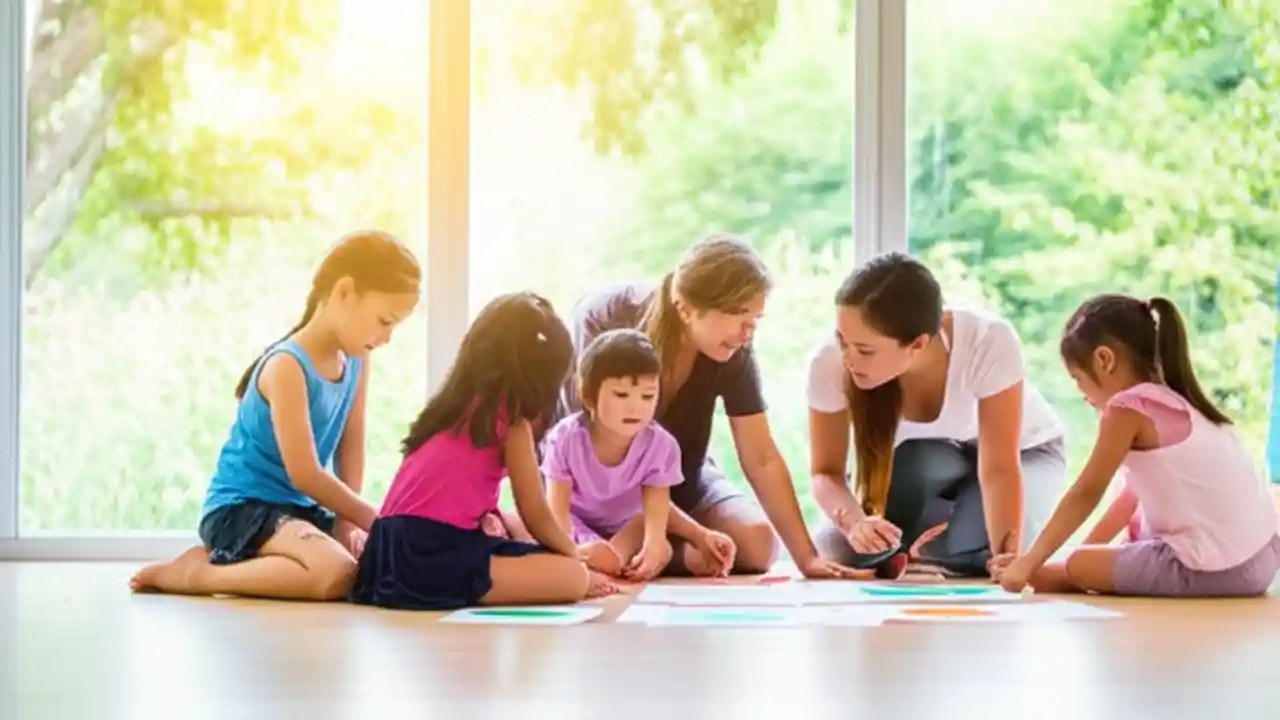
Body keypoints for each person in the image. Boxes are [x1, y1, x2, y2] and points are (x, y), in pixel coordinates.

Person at [130, 230, 422, 599]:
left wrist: (348, 524)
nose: (388, 336)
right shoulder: (287, 366)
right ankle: (197, 576)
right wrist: (377, 520)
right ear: (343, 292)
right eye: (384, 320)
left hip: (299, 513)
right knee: (336, 572)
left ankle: (271, 560)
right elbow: (304, 473)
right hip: (241, 511)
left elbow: (351, 446)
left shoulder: (358, 360)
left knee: (384, 568)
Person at [557, 234, 862, 579]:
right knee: (605, 540)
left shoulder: (733, 351)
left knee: (759, 544)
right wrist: (687, 530)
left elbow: (761, 458)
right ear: (686, 306)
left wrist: (807, 559)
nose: (747, 332)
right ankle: (663, 551)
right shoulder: (609, 319)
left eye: (756, 319)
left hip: (683, 478)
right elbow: (583, 450)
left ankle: (670, 553)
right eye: (738, 315)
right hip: (601, 488)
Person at [992, 294, 1280, 596]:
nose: (1082, 394)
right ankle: (1057, 568)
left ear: (1105, 360)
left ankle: (1048, 570)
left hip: (1213, 569)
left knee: (1076, 567)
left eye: (1078, 378)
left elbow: (1087, 492)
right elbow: (1129, 500)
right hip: (1262, 560)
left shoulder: (1128, 408)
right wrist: (1065, 559)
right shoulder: (1180, 401)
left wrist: (1032, 564)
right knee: (1078, 563)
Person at [807, 252, 1066, 578]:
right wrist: (855, 523)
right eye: (842, 340)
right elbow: (825, 472)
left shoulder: (988, 340)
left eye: (865, 350)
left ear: (917, 344)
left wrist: (1007, 558)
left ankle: (939, 545)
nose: (847, 357)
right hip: (936, 458)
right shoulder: (829, 362)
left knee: (988, 549)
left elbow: (999, 468)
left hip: (1025, 454)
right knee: (839, 549)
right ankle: (934, 541)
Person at [351, 292, 607, 610]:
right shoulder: (510, 417)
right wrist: (577, 556)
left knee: (513, 528)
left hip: (385, 550)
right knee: (573, 577)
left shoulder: (449, 411)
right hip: (428, 554)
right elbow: (535, 510)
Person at [543, 328, 738, 581]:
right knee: (529, 525)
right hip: (576, 524)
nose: (636, 407)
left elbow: (658, 514)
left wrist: (676, 541)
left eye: (648, 396)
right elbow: (557, 515)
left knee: (646, 534)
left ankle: (618, 561)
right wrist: (567, 552)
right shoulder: (565, 438)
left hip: (630, 527)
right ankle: (607, 562)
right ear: (589, 396)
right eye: (621, 395)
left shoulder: (660, 445)